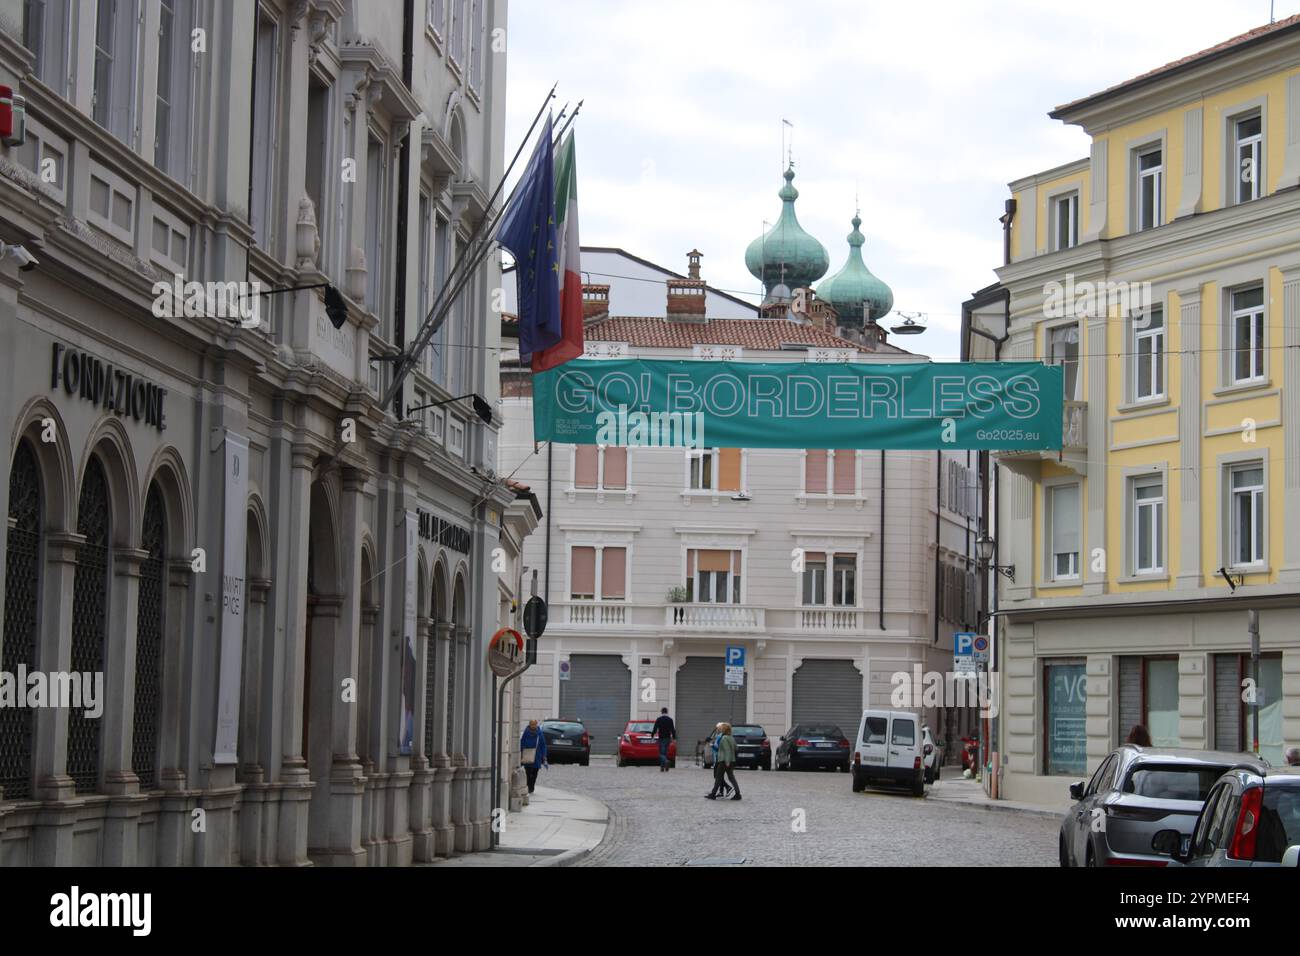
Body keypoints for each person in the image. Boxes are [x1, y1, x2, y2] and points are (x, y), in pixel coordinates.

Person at [520, 719, 548, 794]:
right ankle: (528, 786)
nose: (533, 726)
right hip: (527, 755)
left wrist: (544, 756)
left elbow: (543, 745)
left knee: (535, 772)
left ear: (536, 724)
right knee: (528, 772)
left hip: (537, 756)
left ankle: (531, 787)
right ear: (529, 724)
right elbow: (522, 743)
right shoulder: (526, 732)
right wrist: (521, 753)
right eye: (532, 724)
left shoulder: (539, 733)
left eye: (534, 724)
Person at [715, 723, 741, 801]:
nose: (720, 729)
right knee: (731, 777)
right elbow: (736, 748)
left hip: (724, 760)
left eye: (722, 728)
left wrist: (727, 761)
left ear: (724, 730)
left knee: (718, 777)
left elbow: (726, 750)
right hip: (731, 760)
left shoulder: (724, 738)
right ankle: (738, 794)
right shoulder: (731, 738)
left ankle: (713, 794)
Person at [652, 707, 676, 772]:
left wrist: (652, 735)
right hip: (668, 738)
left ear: (661, 712)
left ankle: (665, 761)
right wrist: (674, 738)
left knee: (661, 753)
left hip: (661, 738)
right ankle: (663, 767)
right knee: (665, 753)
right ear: (667, 712)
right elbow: (673, 729)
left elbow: (655, 728)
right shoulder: (670, 719)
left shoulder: (659, 719)